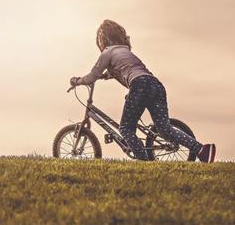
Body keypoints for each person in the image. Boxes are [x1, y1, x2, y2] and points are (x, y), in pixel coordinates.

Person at [70, 19, 216, 162]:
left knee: (126, 129)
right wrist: (105, 76)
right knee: (164, 129)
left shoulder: (107, 52)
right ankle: (202, 150)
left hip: (139, 86)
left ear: (102, 40)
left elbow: (92, 76)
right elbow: (123, 69)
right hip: (155, 85)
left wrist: (78, 81)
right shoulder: (125, 50)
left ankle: (145, 162)